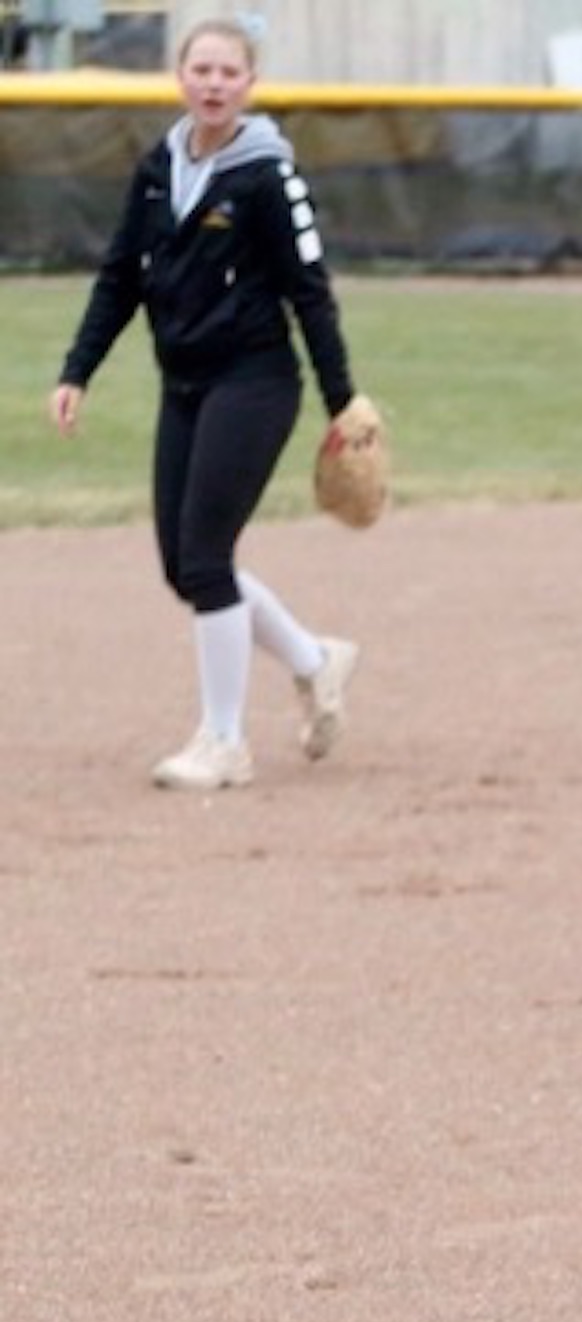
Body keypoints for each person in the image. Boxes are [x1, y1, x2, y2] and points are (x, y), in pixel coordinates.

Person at [49, 17, 362, 792]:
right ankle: (315, 661)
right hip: (185, 383)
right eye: (202, 69)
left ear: (249, 85)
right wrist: (77, 369)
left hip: (255, 381)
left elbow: (309, 293)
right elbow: (121, 274)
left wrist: (341, 402)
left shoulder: (267, 175)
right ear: (180, 78)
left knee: (205, 559)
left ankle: (224, 742)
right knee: (184, 568)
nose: (214, 83)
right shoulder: (160, 166)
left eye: (229, 71)